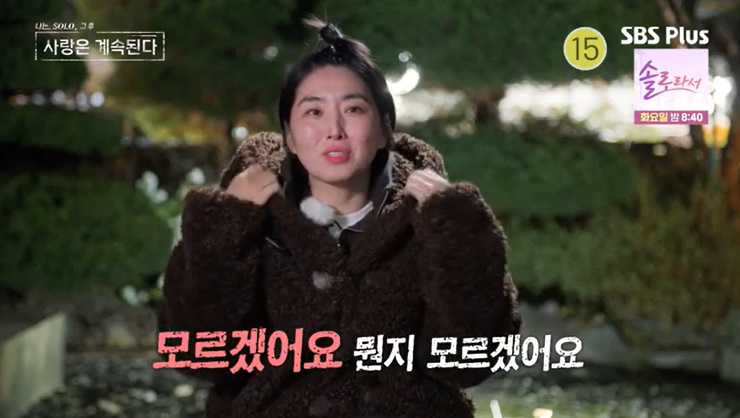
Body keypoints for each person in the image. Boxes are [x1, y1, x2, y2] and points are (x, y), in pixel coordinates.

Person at [157, 18, 521, 418]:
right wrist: (227, 226)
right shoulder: (248, 218)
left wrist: (454, 229)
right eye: (313, 111)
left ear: (384, 131)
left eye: (353, 109)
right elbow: (197, 356)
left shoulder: (432, 219)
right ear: (290, 136)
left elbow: (473, 361)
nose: (334, 129)